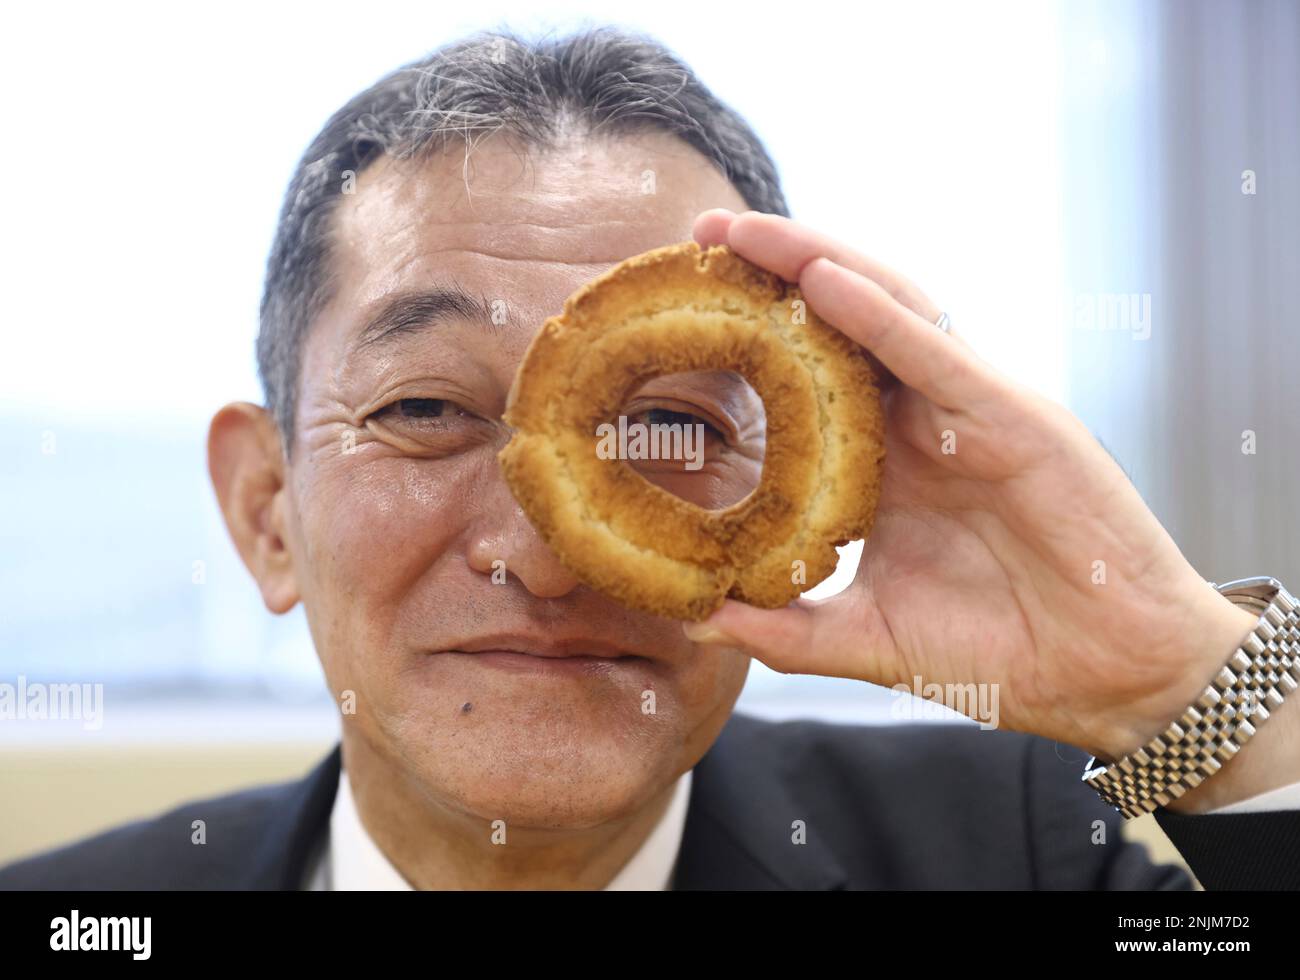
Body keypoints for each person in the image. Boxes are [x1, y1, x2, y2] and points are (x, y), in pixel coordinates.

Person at [3, 25, 1297, 891]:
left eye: (675, 429)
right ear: (267, 511)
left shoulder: (1003, 853)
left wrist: (1181, 679)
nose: (544, 560)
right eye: (425, 412)